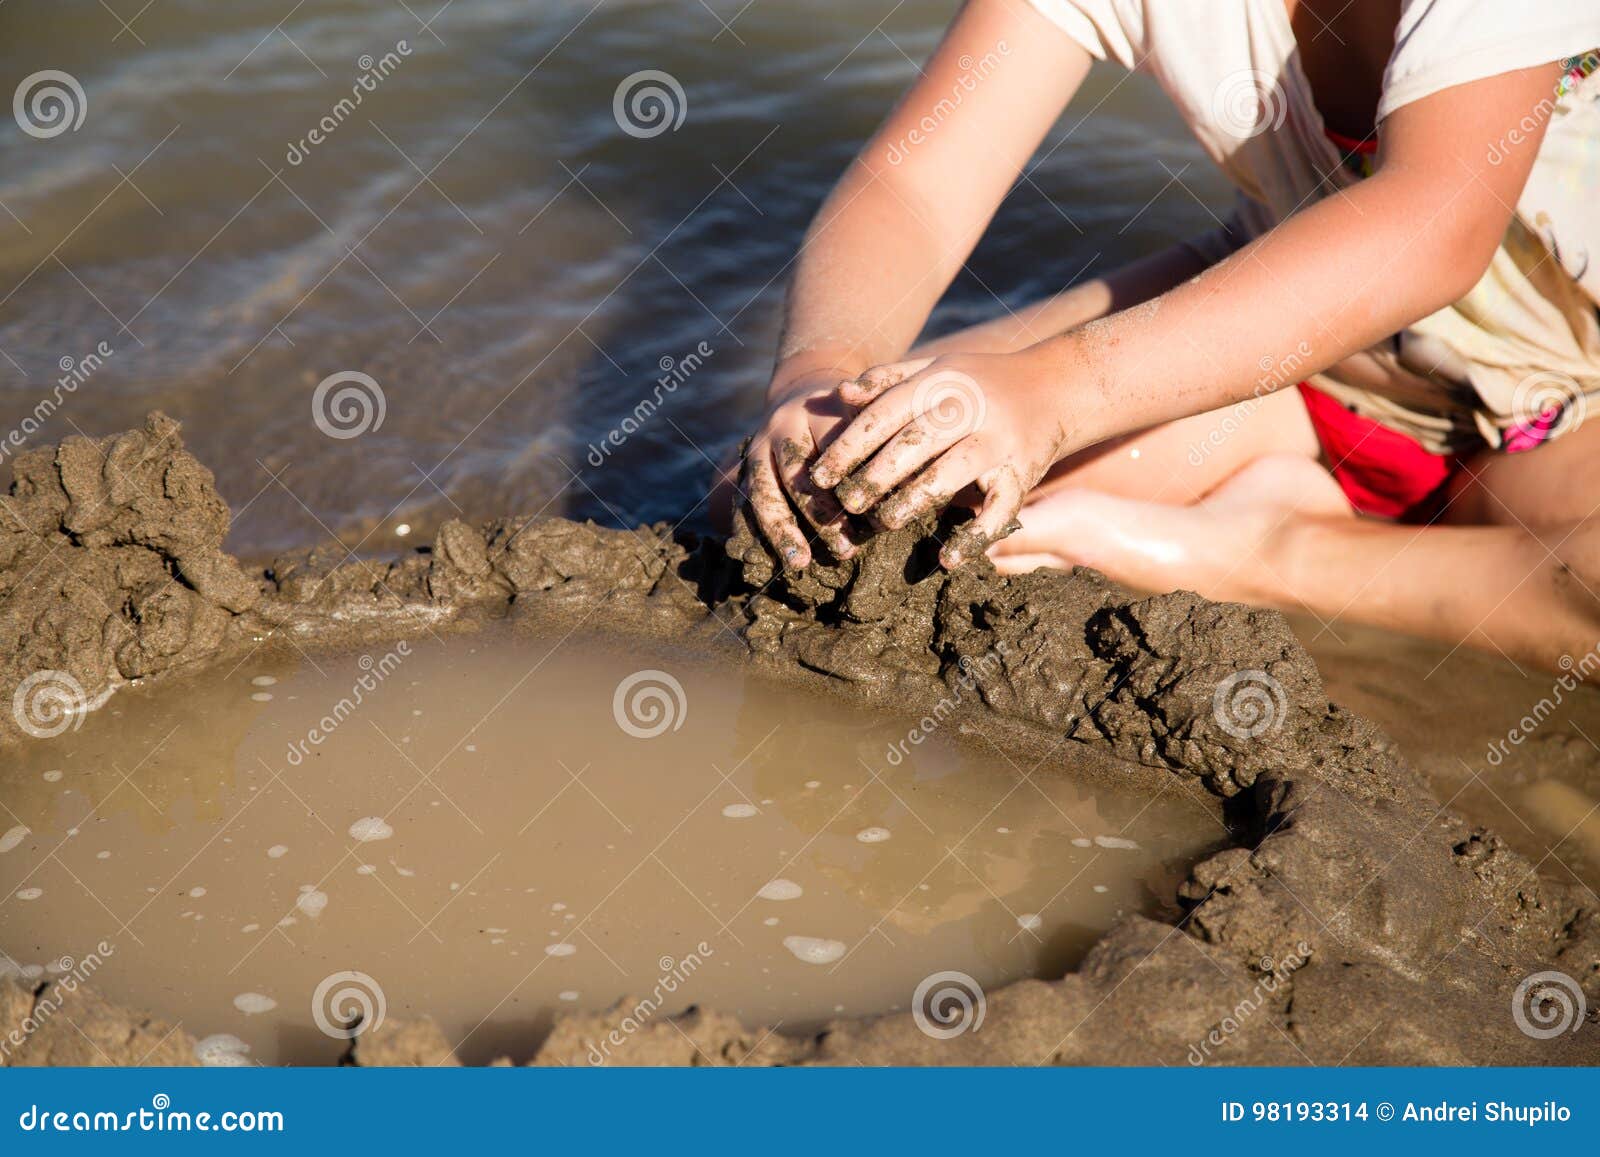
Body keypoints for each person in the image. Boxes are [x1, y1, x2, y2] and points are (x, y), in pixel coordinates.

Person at [723, 0, 1600, 673]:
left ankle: (1269, 551)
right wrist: (817, 370)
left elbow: (1432, 224)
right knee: (833, 495)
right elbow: (916, 187)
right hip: (1289, 368)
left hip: (1574, 411)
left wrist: (1056, 394)